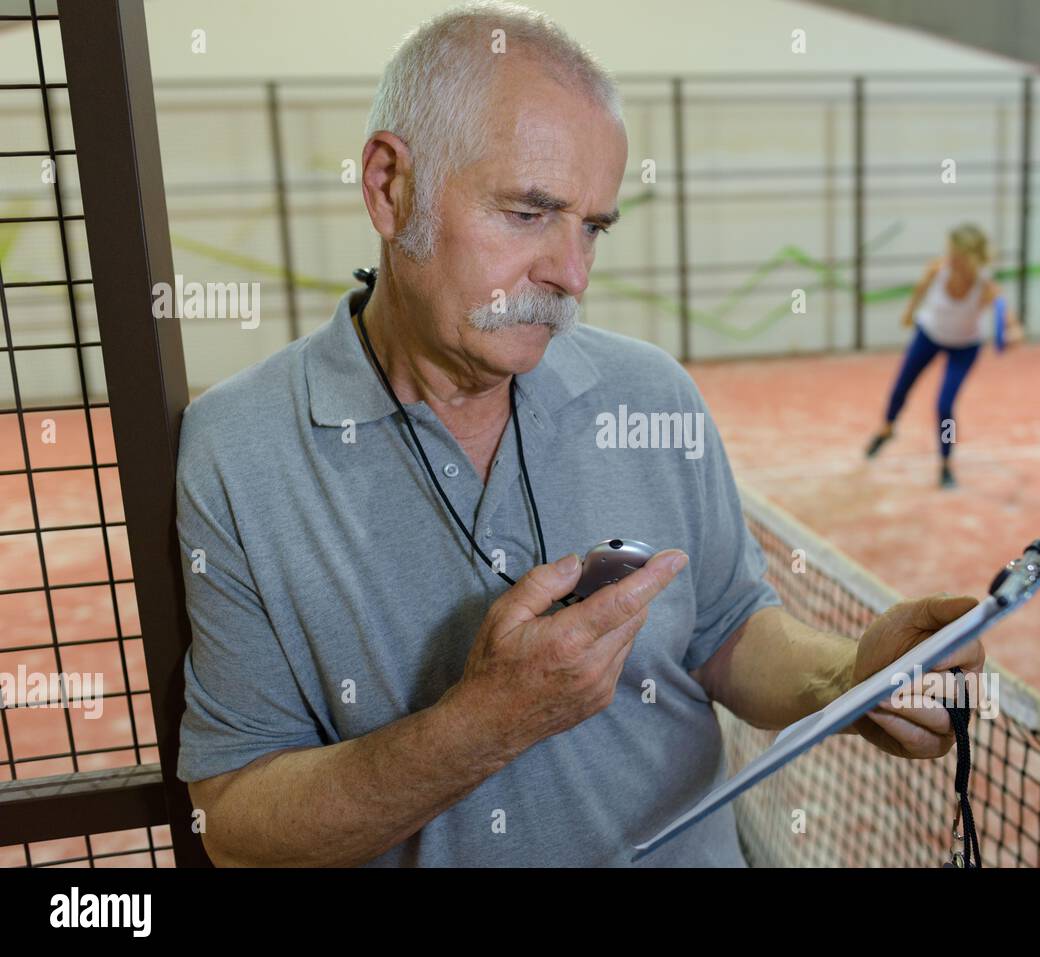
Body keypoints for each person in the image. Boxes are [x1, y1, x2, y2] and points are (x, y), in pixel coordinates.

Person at [174, 1, 983, 867]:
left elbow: (729, 628)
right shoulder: (237, 448)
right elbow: (234, 820)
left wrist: (852, 676)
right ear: (388, 186)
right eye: (528, 212)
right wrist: (484, 722)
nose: (571, 274)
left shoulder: (651, 390)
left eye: (592, 226)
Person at [865, 224, 1023, 488]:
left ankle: (946, 463)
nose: (952, 258)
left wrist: (1013, 330)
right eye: (950, 252)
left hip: (964, 347)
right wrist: (909, 312)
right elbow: (920, 289)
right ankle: (887, 428)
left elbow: (1004, 313)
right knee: (901, 388)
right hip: (929, 336)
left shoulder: (985, 286)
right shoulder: (938, 270)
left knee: (944, 407)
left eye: (957, 255)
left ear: (971, 258)